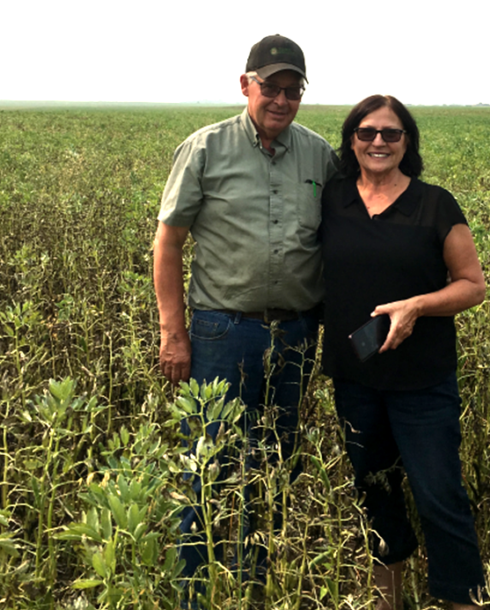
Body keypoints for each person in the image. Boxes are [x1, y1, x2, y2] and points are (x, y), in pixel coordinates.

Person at [153, 34, 338, 591]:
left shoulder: (319, 154)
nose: (281, 100)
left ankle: (255, 586)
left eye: (292, 90)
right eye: (270, 87)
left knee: (276, 464)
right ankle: (193, 590)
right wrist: (173, 333)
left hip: (298, 331)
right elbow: (168, 244)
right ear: (245, 86)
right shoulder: (205, 148)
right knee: (210, 463)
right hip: (221, 331)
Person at [320, 95, 487, 610]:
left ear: (406, 142)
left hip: (422, 381)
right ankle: (387, 600)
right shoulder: (333, 199)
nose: (378, 142)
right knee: (376, 492)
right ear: (351, 140)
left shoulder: (435, 204)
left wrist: (417, 305)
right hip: (355, 377)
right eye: (367, 132)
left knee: (440, 497)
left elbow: (472, 286)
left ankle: (463, 599)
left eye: (391, 134)